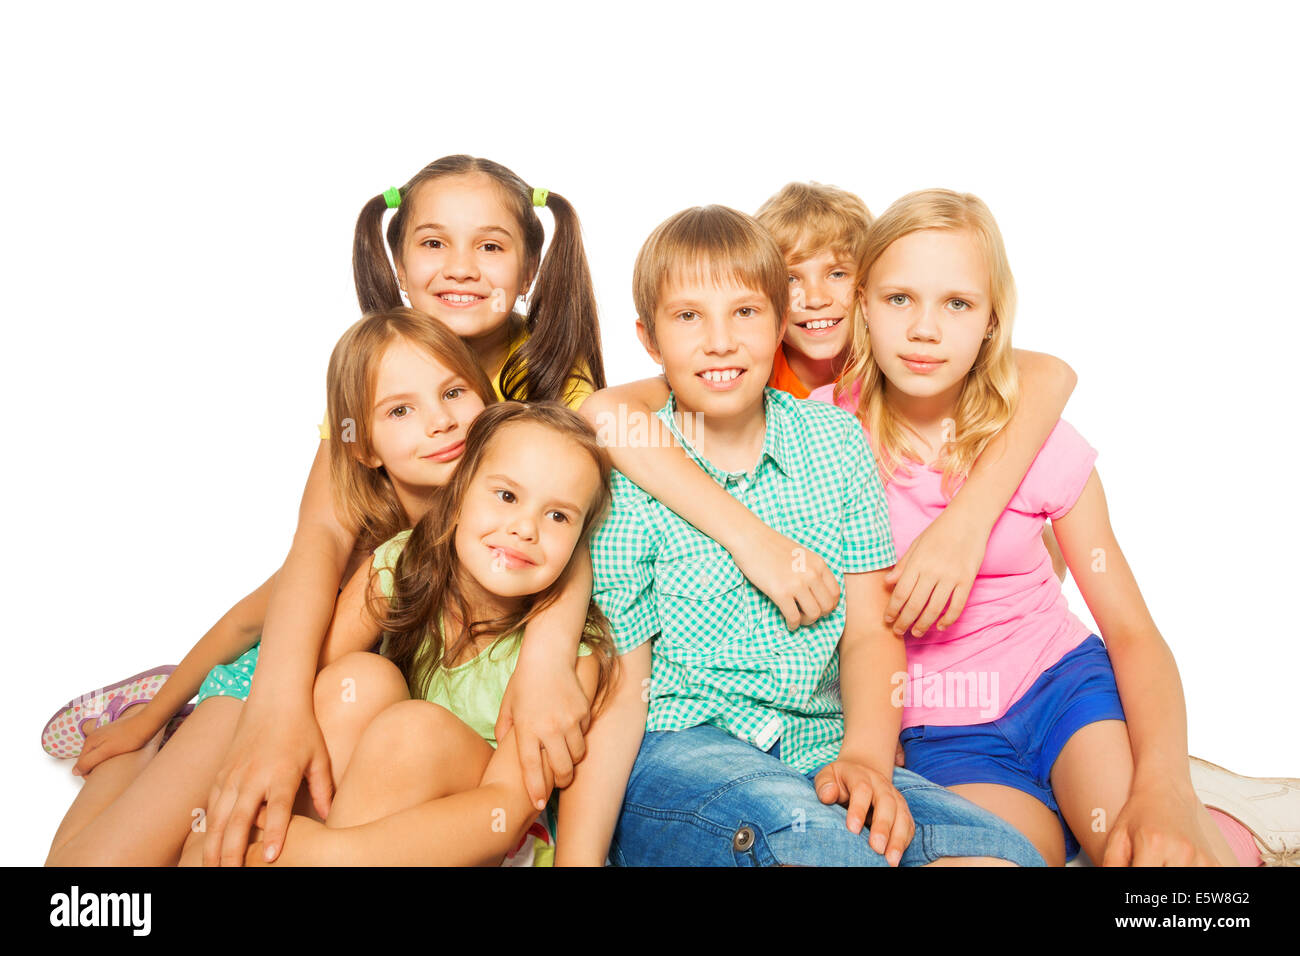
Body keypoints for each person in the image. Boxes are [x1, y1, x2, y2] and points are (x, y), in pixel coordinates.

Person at [812, 188, 1297, 866]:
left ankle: (1224, 824)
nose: (925, 328)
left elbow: (1131, 631)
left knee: (1151, 856)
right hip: (941, 734)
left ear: (991, 321)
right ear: (862, 303)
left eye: (958, 303)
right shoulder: (818, 433)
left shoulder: (1035, 437)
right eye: (899, 299)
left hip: (1063, 691)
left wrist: (1163, 787)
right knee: (990, 858)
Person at [558, 204, 1046, 866]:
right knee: (816, 844)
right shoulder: (633, 471)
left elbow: (871, 630)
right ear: (649, 340)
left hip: (818, 745)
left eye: (745, 313)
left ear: (780, 322)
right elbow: (622, 690)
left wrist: (867, 759)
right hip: (683, 748)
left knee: (994, 853)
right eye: (688, 316)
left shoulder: (837, 443)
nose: (719, 341)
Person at [46, 309, 495, 864]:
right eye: (400, 409)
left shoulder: (501, 536)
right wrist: (152, 716)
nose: (441, 422)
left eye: (454, 392)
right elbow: (245, 622)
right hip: (251, 697)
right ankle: (137, 735)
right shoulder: (364, 541)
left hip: (338, 717)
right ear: (364, 448)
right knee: (86, 876)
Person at [182, 402, 617, 866]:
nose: (525, 528)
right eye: (507, 496)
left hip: (479, 845)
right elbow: (312, 694)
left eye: (558, 517)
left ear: (578, 546)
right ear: (458, 500)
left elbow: (504, 811)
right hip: (362, 814)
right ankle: (241, 844)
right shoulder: (401, 563)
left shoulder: (571, 652)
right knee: (359, 681)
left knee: (415, 730)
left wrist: (333, 853)